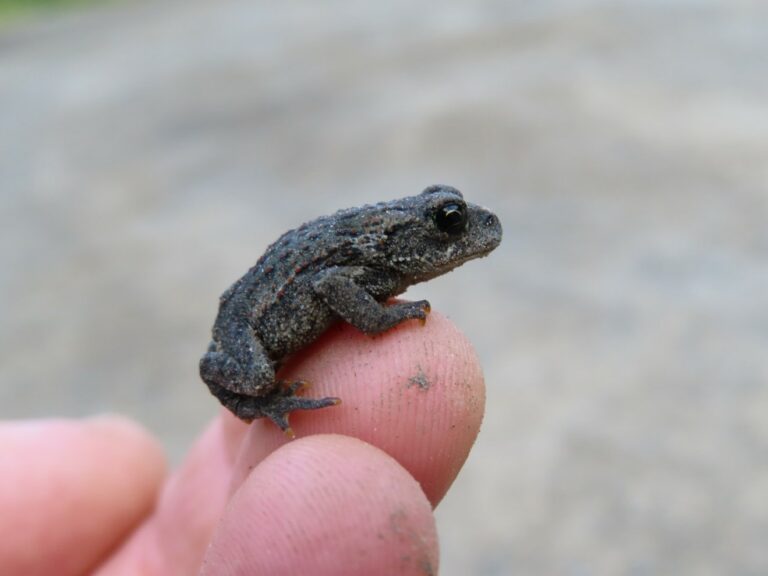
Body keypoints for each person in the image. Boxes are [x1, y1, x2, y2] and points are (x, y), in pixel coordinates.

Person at [0, 312, 485, 576]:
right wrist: (377, 322)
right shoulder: (366, 253)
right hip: (249, 332)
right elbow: (330, 286)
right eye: (447, 223)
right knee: (254, 377)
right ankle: (266, 403)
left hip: (255, 320)